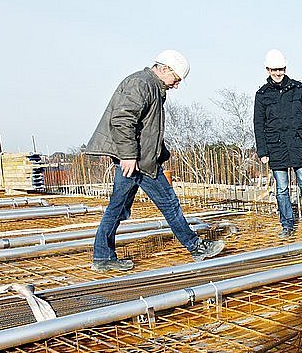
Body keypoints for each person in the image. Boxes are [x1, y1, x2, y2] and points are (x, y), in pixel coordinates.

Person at [85, 50, 225, 272]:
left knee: (118, 207)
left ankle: (102, 256)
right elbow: (122, 120)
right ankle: (195, 247)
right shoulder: (141, 84)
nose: (176, 85)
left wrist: (159, 153)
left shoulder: (151, 86)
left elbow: (148, 129)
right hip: (138, 160)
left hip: (138, 157)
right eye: (176, 79)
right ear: (165, 69)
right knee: (169, 203)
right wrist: (129, 156)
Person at [253, 49, 302, 238]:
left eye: (281, 69)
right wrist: (262, 151)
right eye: (274, 70)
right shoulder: (262, 95)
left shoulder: (298, 88)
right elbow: (258, 124)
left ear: (285, 68)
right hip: (276, 147)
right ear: (268, 69)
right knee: (282, 190)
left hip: (299, 145)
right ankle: (287, 225)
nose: (278, 73)